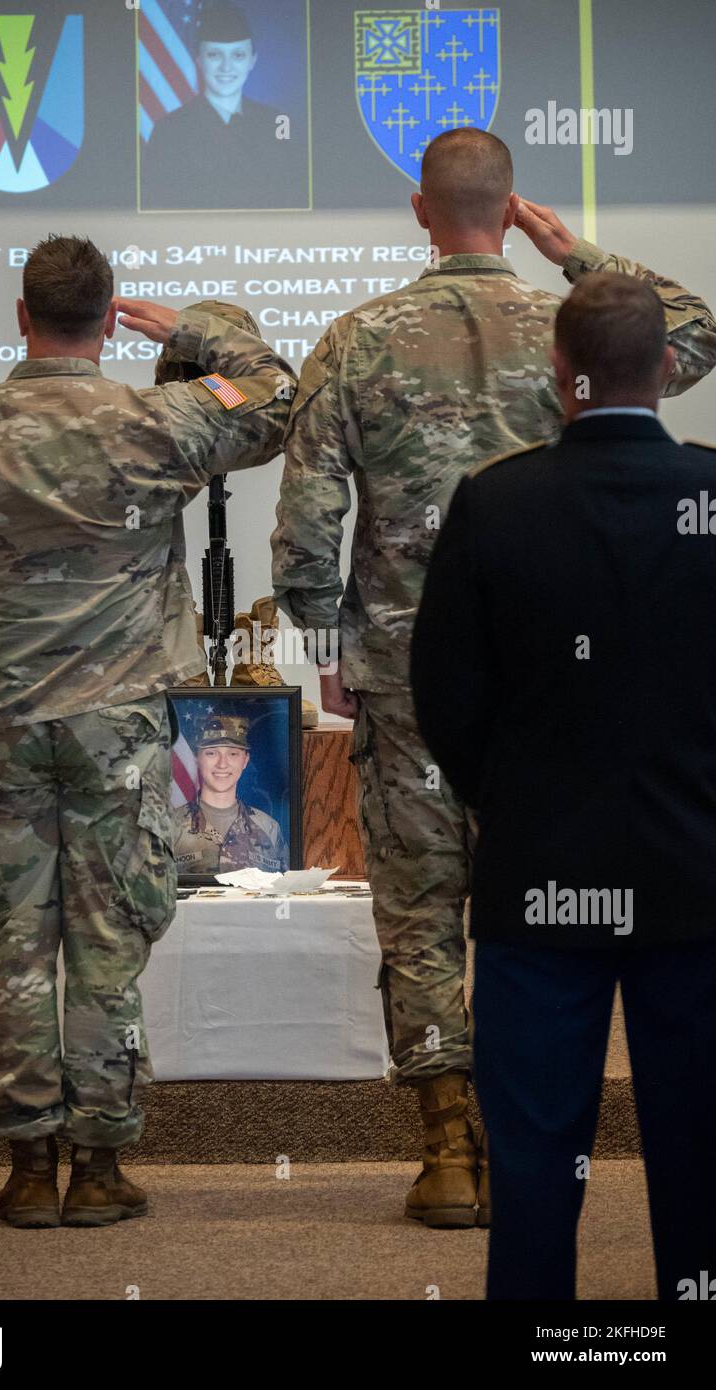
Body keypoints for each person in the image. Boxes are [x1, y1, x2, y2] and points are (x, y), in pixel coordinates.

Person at [270, 126, 716, 1229]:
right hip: (555, 685)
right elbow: (695, 333)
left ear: (421, 211)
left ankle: (449, 1150)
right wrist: (575, 255)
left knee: (419, 912)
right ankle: (558, 1134)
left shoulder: (356, 338)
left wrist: (327, 646)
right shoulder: (566, 328)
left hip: (409, 673)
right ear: (511, 208)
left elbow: (307, 518)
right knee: (545, 914)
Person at [0, 235, 295, 1228]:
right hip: (118, 733)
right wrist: (192, 330)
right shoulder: (160, 420)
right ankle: (99, 1164)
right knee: (107, 946)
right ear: (108, 322)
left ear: (21, 317)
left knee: (15, 948)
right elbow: (274, 393)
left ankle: (25, 1165)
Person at [410, 271, 716, 1299]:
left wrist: (511, 799)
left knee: (537, 1161)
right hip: (699, 881)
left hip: (540, 879)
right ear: (669, 370)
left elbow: (444, 694)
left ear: (558, 370)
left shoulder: (495, 502)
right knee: (701, 1154)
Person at [141, 0, 307, 211]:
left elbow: (291, 195)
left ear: (252, 60)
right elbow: (158, 205)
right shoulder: (169, 130)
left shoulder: (275, 122)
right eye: (214, 54)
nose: (226, 67)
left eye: (238, 55)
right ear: (199, 61)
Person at [173, 713, 287, 874]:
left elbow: (285, 893)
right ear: (197, 759)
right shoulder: (168, 827)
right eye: (211, 753)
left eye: (233, 754)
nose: (222, 764)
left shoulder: (269, 828)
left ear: (245, 760)